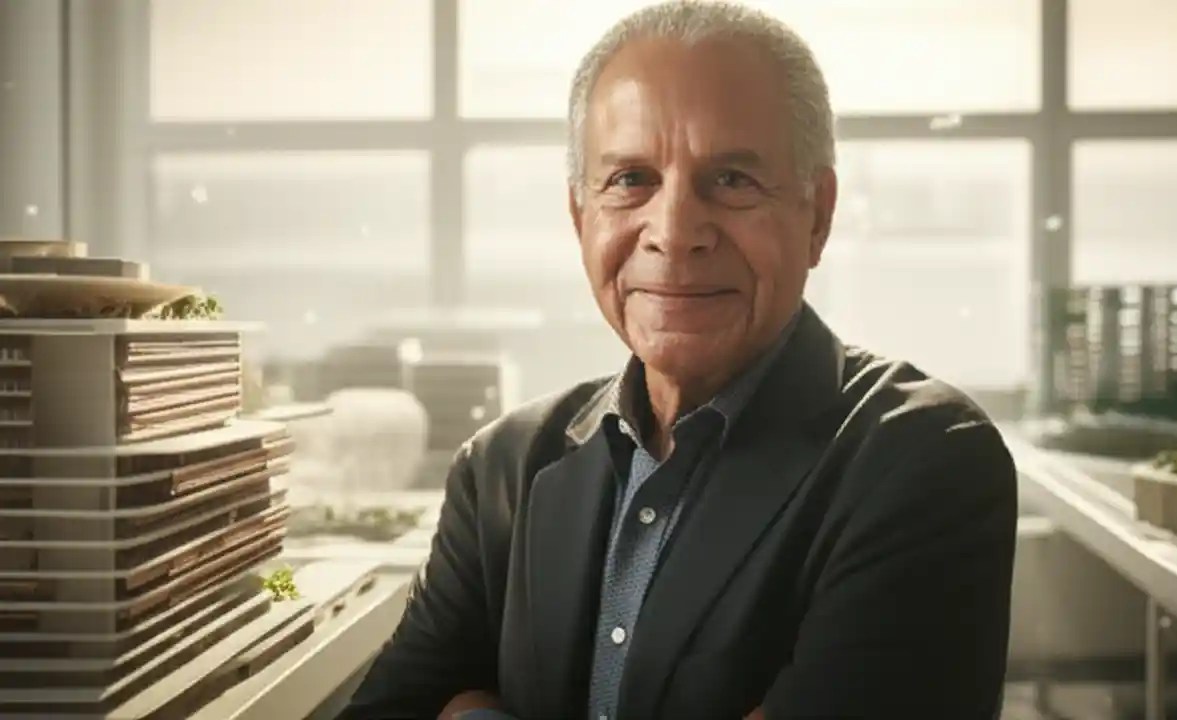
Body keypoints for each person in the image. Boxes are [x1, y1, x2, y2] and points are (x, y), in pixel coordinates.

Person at [339, 2, 1017, 718]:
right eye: (630, 179)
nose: (674, 232)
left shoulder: (921, 461)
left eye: (730, 180)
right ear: (581, 217)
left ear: (816, 215)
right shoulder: (502, 470)